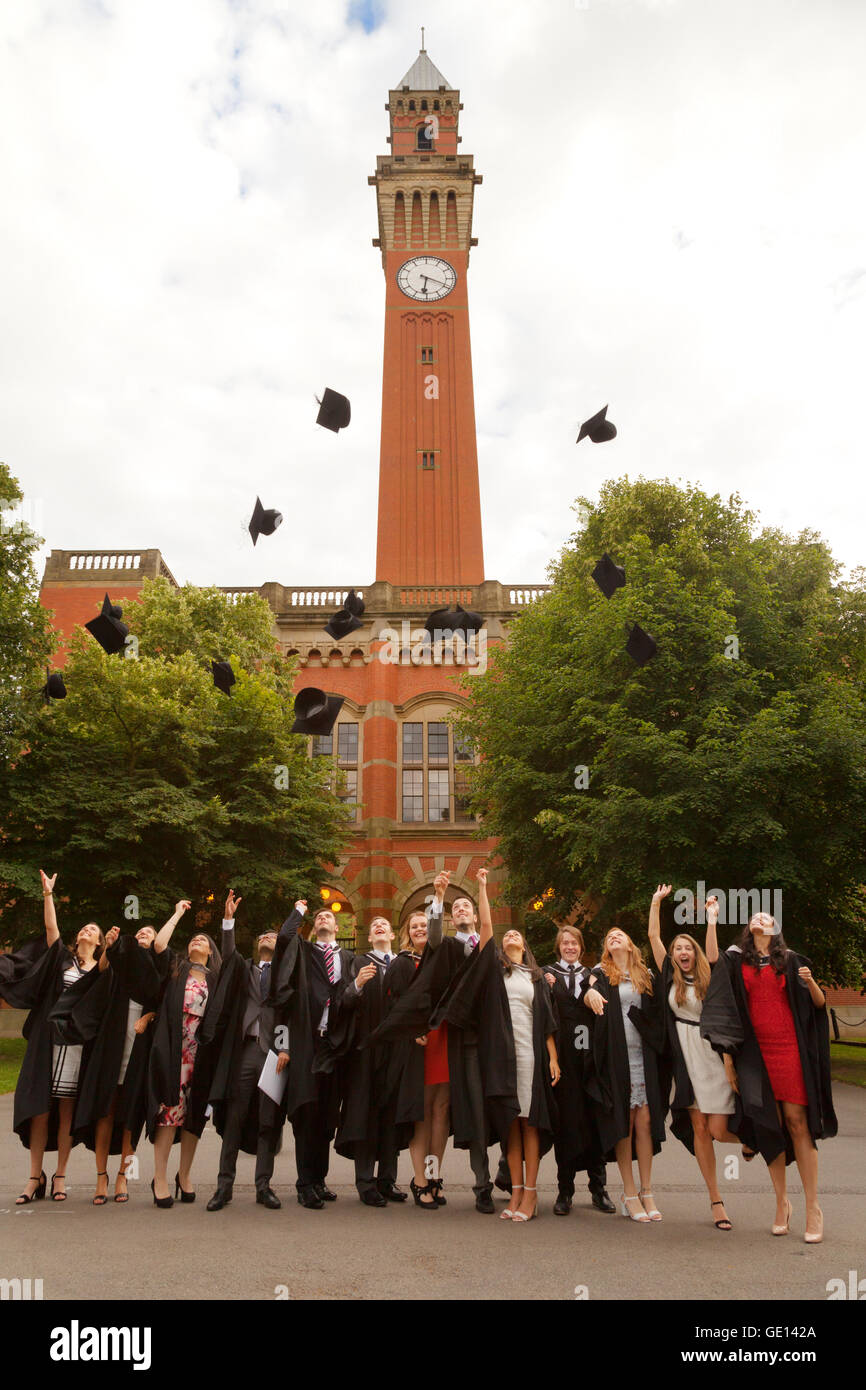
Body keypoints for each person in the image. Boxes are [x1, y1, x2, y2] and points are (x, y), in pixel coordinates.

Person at [701, 911, 836, 1243]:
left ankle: (813, 1207)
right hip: (755, 1055)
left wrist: (811, 982)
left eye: (766, 915)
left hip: (789, 1050)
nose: (759, 918)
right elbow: (715, 966)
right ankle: (781, 1203)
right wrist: (712, 920)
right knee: (769, 1126)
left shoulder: (790, 960)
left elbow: (819, 1005)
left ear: (776, 927)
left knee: (797, 1123)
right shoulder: (737, 961)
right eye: (755, 916)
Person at [0, 871, 104, 1203]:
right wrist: (48, 895)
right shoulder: (62, 959)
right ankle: (34, 1177)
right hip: (48, 1043)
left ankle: (60, 1176)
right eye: (84, 928)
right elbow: (51, 929)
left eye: (93, 930)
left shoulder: (101, 971)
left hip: (76, 1047)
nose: (86, 930)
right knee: (39, 1109)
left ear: (99, 943)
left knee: (66, 1113)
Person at [206, 890, 312, 1211]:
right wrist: (228, 920)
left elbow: (285, 1015)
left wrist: (284, 1047)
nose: (267, 937)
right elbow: (228, 953)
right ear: (256, 945)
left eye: (272, 935)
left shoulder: (284, 976)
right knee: (235, 1119)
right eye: (262, 935)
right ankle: (224, 1187)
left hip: (273, 1054)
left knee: (269, 1122)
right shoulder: (243, 969)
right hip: (245, 1054)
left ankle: (263, 1186)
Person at [647, 887, 739, 1231]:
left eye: (687, 948)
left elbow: (714, 955)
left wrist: (712, 919)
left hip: (712, 1054)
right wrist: (656, 902)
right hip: (685, 1059)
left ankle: (756, 1140)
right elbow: (654, 936)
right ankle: (716, 1200)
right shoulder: (669, 976)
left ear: (694, 953)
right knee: (700, 1127)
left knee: (719, 1129)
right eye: (678, 949)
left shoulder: (709, 976)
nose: (682, 952)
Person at [67, 922, 162, 1205]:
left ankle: (123, 1176)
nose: (143, 933)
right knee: (105, 1113)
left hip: (138, 1053)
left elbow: (162, 1004)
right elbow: (103, 969)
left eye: (149, 933)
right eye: (140, 931)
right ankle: (101, 1177)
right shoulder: (120, 966)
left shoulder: (156, 972)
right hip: (111, 1050)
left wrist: (148, 1017)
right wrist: (109, 945)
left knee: (131, 1118)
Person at [582, 927, 668, 1223]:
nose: (614, 937)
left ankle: (647, 1191)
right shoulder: (600, 973)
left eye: (620, 935)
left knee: (645, 1122)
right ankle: (629, 1193)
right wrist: (590, 993)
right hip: (616, 1059)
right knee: (624, 1123)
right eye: (609, 937)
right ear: (607, 949)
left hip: (644, 1057)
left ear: (630, 945)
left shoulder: (646, 975)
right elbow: (586, 992)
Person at [327, 916, 408, 1206]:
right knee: (365, 1114)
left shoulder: (402, 963)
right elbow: (342, 1002)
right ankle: (365, 1182)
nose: (379, 926)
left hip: (396, 1049)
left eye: (384, 924)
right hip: (365, 1051)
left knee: (391, 1115)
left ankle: (387, 1179)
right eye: (374, 926)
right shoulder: (359, 963)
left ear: (393, 935)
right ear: (370, 937)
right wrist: (357, 985)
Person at [146, 901, 222, 1207]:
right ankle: (160, 1178)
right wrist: (177, 912)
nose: (196, 941)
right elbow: (159, 945)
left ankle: (185, 1175)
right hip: (174, 1050)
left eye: (202, 940)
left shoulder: (215, 979)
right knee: (168, 1112)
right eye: (193, 939)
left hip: (200, 1054)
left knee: (194, 1116)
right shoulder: (177, 968)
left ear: (211, 951)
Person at [283, 903, 356, 1208]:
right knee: (306, 1112)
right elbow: (285, 938)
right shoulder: (303, 953)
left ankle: (319, 1180)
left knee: (327, 1117)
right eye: (319, 917)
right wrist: (298, 912)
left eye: (329, 917)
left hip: (335, 1046)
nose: (324, 918)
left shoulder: (349, 959)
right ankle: (304, 1183)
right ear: (313, 928)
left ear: (338, 928)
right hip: (308, 1042)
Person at [542, 920, 615, 1216]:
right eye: (565, 943)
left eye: (574, 943)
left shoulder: (593, 975)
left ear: (581, 948)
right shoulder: (547, 974)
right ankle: (565, 1190)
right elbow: (543, 1016)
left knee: (594, 1122)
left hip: (589, 1059)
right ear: (559, 947)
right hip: (563, 1059)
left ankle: (599, 1188)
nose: (570, 947)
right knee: (567, 1125)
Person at [384, 912, 449, 1209]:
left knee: (441, 1113)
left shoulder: (444, 961)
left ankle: (435, 1177)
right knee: (422, 1113)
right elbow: (393, 1004)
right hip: (417, 1043)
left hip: (443, 1039)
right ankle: (420, 1180)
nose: (420, 929)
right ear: (407, 933)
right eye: (415, 926)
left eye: (425, 925)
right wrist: (411, 1029)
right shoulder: (402, 964)